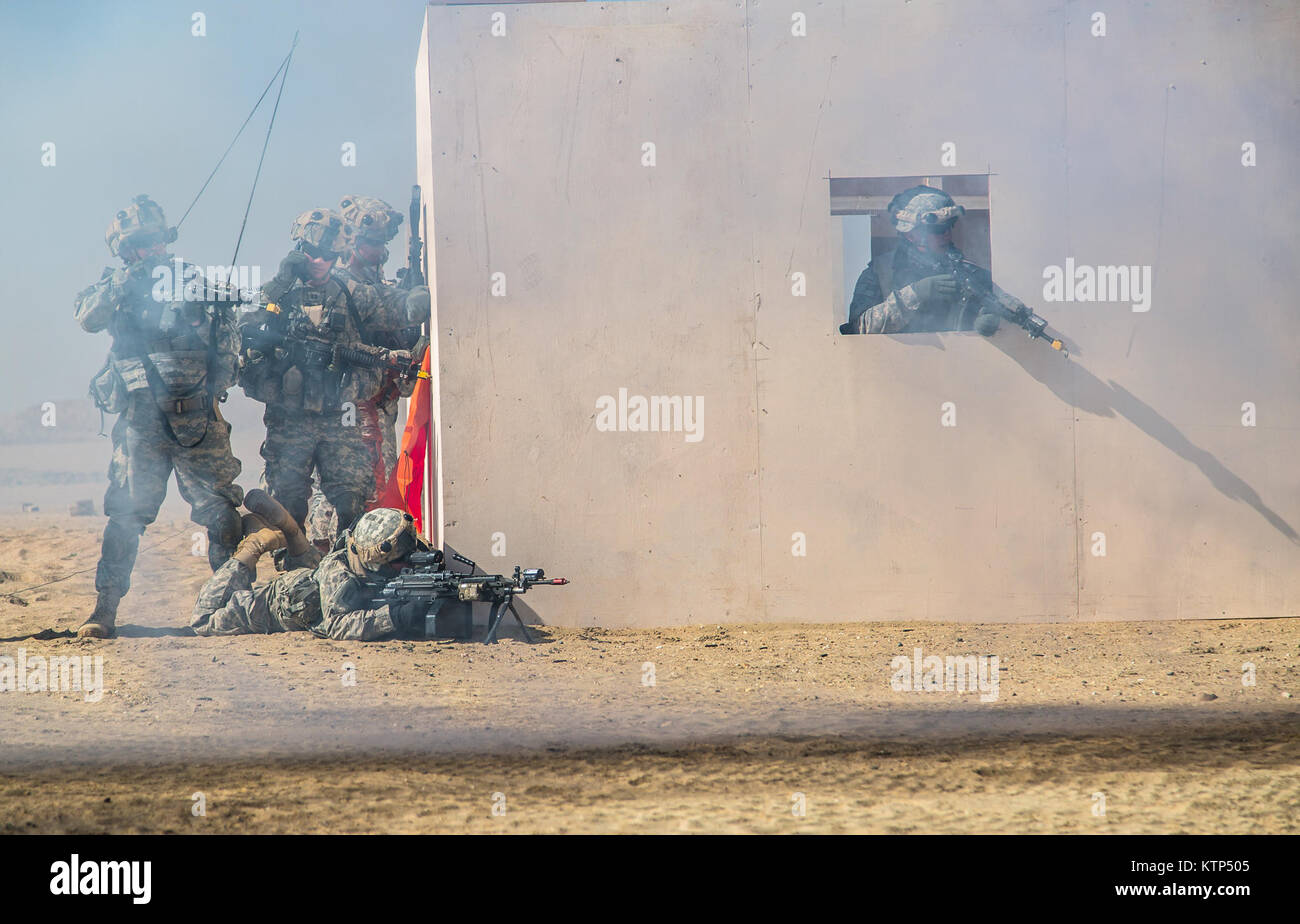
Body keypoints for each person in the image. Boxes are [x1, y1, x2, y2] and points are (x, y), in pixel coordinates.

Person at [74, 194, 244, 638]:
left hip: (198, 422)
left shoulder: (195, 282)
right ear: (122, 251)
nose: (146, 252)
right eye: (135, 246)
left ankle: (226, 607)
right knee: (127, 514)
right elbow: (87, 318)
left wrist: (211, 394)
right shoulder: (113, 287)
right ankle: (104, 611)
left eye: (152, 243)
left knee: (220, 511)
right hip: (140, 422)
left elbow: (227, 344)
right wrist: (123, 283)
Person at [238, 208, 403, 550]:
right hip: (289, 420)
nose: (317, 261)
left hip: (338, 417)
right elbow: (242, 322)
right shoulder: (279, 293)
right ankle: (292, 573)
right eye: (310, 253)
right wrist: (281, 281)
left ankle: (345, 569)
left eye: (327, 256)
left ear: (337, 256)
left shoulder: (353, 294)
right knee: (288, 503)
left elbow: (395, 321)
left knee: (351, 500)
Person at [192, 498, 426, 641]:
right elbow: (337, 625)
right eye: (400, 561)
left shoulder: (401, 544)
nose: (408, 562)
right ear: (376, 560)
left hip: (315, 576)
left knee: (316, 573)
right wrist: (394, 616)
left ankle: (293, 534)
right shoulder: (340, 577)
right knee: (203, 622)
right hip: (275, 604)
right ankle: (255, 545)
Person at [840, 185, 1009, 335]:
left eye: (949, 227)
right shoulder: (881, 272)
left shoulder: (970, 273)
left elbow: (1002, 319)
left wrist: (986, 324)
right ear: (911, 235)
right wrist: (916, 294)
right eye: (937, 229)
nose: (946, 234)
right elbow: (860, 329)